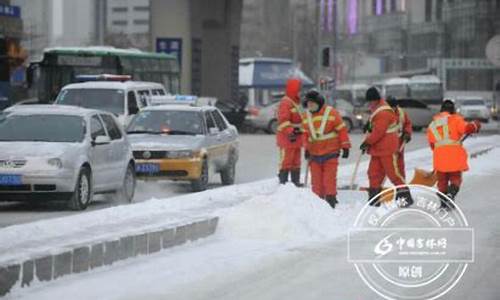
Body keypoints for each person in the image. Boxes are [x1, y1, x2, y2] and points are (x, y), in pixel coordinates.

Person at [360, 87, 413, 207]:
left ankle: (405, 196)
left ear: (376, 100)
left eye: (371, 101)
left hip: (387, 148)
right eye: (369, 101)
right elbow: (375, 125)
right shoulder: (378, 109)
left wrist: (367, 142)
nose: (369, 103)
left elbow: (378, 131)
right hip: (378, 148)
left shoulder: (384, 112)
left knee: (393, 173)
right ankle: (374, 198)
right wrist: (368, 125)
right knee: (373, 173)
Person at [427, 98, 481, 209]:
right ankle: (451, 195)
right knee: (455, 179)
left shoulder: (432, 125)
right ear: (453, 110)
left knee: (442, 181)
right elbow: (467, 128)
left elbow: (432, 145)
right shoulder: (456, 120)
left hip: (439, 158)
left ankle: (443, 203)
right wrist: (475, 125)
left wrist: (441, 151)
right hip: (454, 157)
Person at [302, 90, 351, 208]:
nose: (310, 106)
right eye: (308, 104)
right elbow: (305, 135)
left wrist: (345, 146)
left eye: (312, 104)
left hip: (330, 152)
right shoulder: (305, 117)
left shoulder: (332, 113)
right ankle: (317, 202)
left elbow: (342, 130)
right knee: (316, 181)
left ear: (319, 103)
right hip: (314, 154)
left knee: (329, 179)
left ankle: (331, 200)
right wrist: (306, 149)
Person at [276, 78, 304, 186]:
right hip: (287, 137)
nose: (300, 92)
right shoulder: (286, 103)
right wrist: (290, 131)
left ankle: (295, 181)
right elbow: (283, 120)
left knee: (296, 160)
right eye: (299, 89)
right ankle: (283, 181)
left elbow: (302, 118)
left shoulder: (296, 103)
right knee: (286, 160)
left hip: (296, 136)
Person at [386, 95, 412, 179]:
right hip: (386, 143)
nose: (393, 109)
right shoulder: (382, 113)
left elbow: (407, 123)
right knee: (384, 165)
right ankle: (377, 187)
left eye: (394, 107)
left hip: (399, 142)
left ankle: (401, 184)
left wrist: (407, 133)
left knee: (400, 165)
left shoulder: (401, 113)